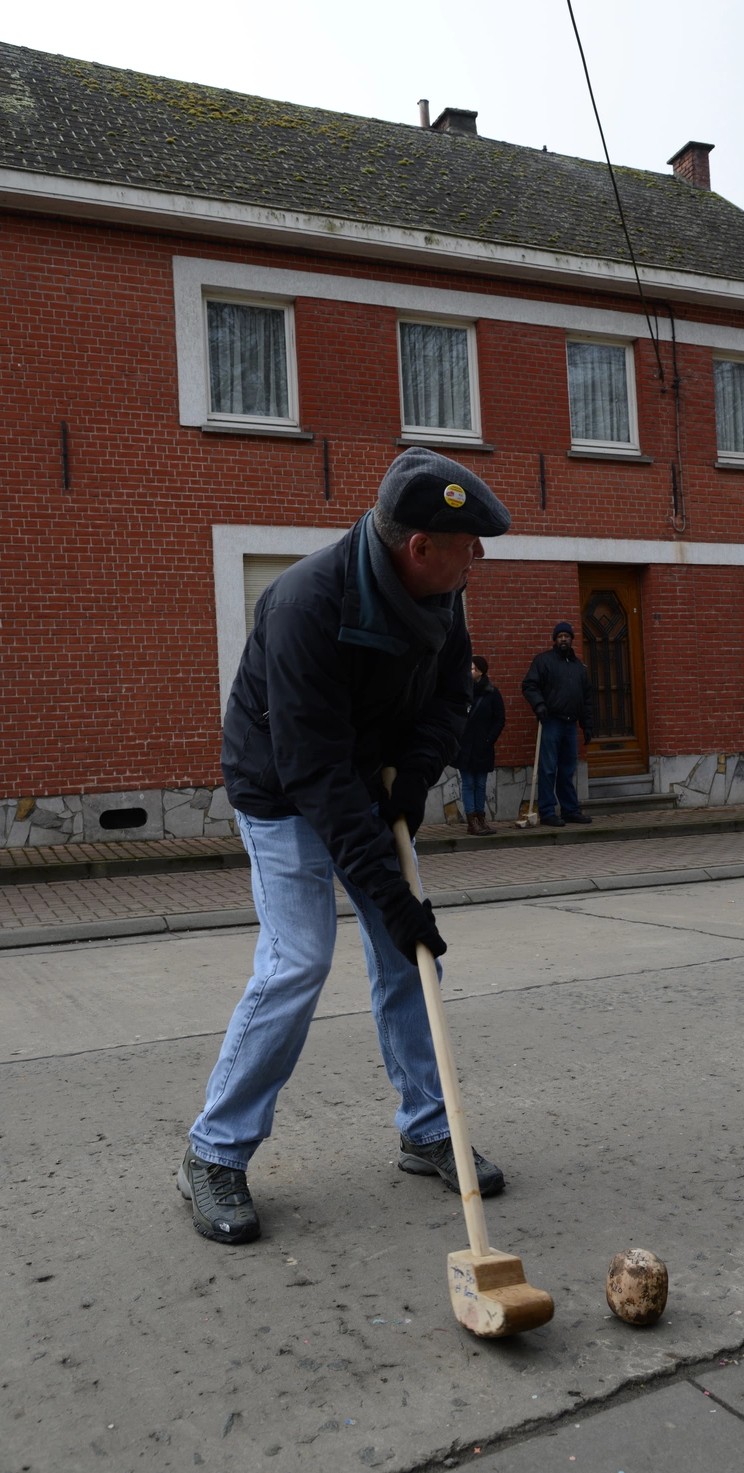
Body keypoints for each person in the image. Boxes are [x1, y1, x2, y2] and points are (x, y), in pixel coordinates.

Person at [178, 448, 511, 1245]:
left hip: (364, 776)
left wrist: (415, 777)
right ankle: (213, 1152)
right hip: (284, 788)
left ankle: (427, 1127)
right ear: (418, 546)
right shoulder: (304, 605)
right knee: (299, 959)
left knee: (408, 959)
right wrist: (396, 901)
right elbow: (314, 775)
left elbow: (449, 695)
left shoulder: (444, 593)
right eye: (468, 545)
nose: (482, 557)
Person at [521, 622, 594, 827]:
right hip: (551, 721)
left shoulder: (578, 667)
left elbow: (586, 697)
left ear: (572, 639)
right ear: (555, 639)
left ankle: (570, 810)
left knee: (567, 769)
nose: (563, 639)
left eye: (567, 636)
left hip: (571, 725)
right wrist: (539, 705)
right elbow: (529, 685)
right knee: (548, 769)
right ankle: (547, 811)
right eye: (560, 636)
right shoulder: (543, 661)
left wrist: (587, 725)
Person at [454, 655, 505, 835]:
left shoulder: (492, 693)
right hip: (465, 746)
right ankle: (472, 822)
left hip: (483, 747)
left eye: (473, 669)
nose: (470, 672)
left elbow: (500, 719)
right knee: (468, 783)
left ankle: (481, 820)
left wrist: (489, 739)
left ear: (481, 672)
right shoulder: (462, 691)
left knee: (481, 784)